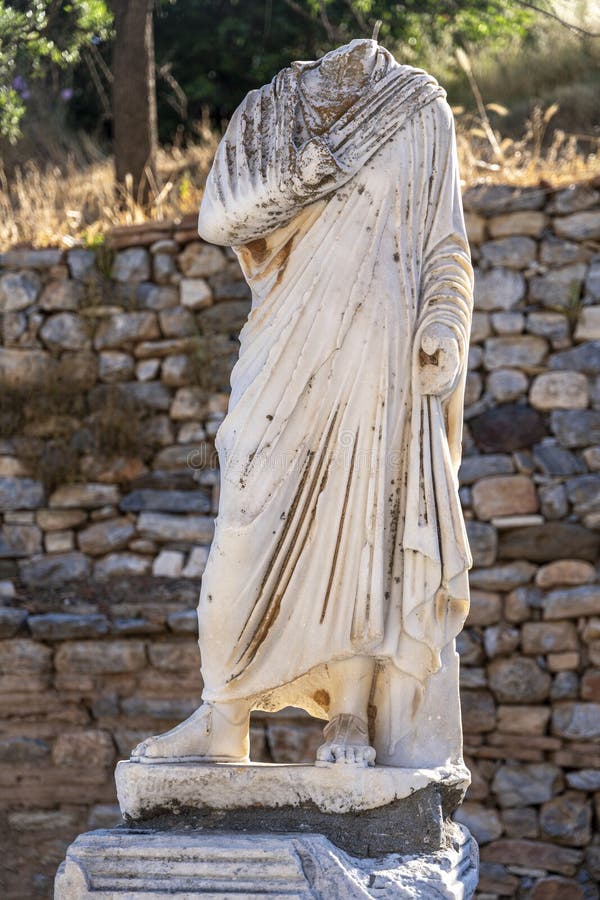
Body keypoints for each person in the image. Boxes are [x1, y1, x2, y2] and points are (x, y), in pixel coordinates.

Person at [132, 38, 473, 770]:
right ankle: (222, 714)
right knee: (244, 521)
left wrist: (443, 322)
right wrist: (310, 170)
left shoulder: (420, 109)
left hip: (377, 354)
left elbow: (446, 245)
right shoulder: (273, 109)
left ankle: (349, 716)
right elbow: (219, 218)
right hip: (284, 346)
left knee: (359, 527)